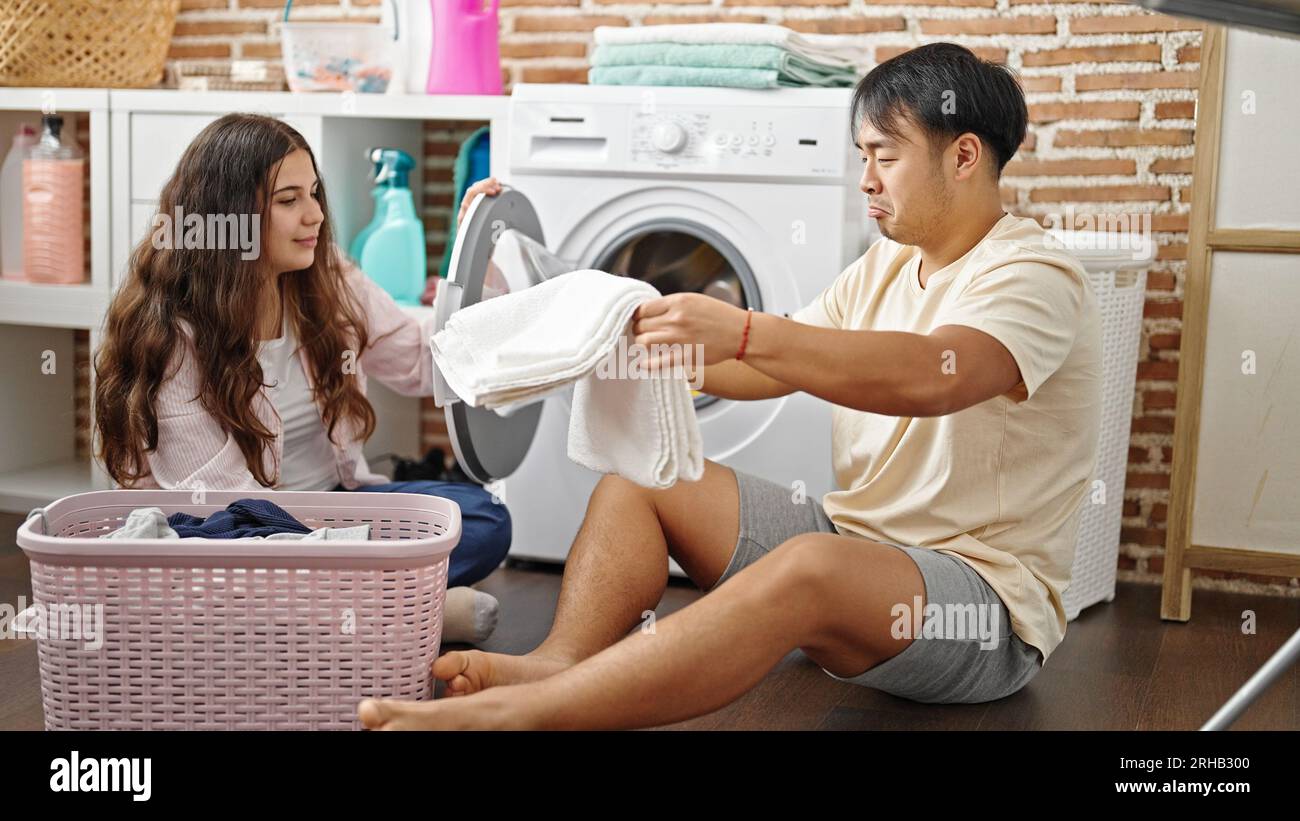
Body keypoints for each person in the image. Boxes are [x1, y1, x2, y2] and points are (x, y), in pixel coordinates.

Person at [358, 42, 1103, 729]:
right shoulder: (883, 267)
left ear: (964, 154)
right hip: (859, 553)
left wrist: (743, 328)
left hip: (978, 612)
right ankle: (560, 661)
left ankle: (530, 715)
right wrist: (604, 336)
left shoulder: (1031, 272)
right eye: (862, 155)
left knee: (811, 567)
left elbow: (935, 375)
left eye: (886, 155)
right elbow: (758, 367)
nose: (868, 179)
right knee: (642, 480)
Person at [93, 113, 511, 640]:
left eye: (313, 193)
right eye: (288, 200)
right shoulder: (173, 333)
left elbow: (425, 362)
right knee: (224, 560)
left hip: (333, 509)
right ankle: (404, 611)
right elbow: (224, 503)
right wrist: (332, 544)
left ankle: (346, 610)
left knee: (484, 518)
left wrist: (474, 256)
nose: (314, 214)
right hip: (228, 532)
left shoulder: (328, 277)